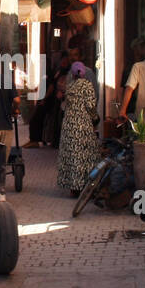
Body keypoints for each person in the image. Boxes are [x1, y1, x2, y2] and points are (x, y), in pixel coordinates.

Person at [56, 62, 101, 196]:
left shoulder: (69, 86)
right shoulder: (87, 86)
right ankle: (84, 185)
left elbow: (65, 105)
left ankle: (73, 188)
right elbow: (91, 106)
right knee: (85, 155)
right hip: (83, 126)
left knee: (72, 155)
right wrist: (95, 118)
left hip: (69, 126)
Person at [119, 37, 145, 125]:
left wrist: (122, 110)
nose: (137, 51)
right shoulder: (134, 66)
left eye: (139, 48)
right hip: (136, 108)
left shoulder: (138, 66)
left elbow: (129, 88)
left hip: (141, 112)